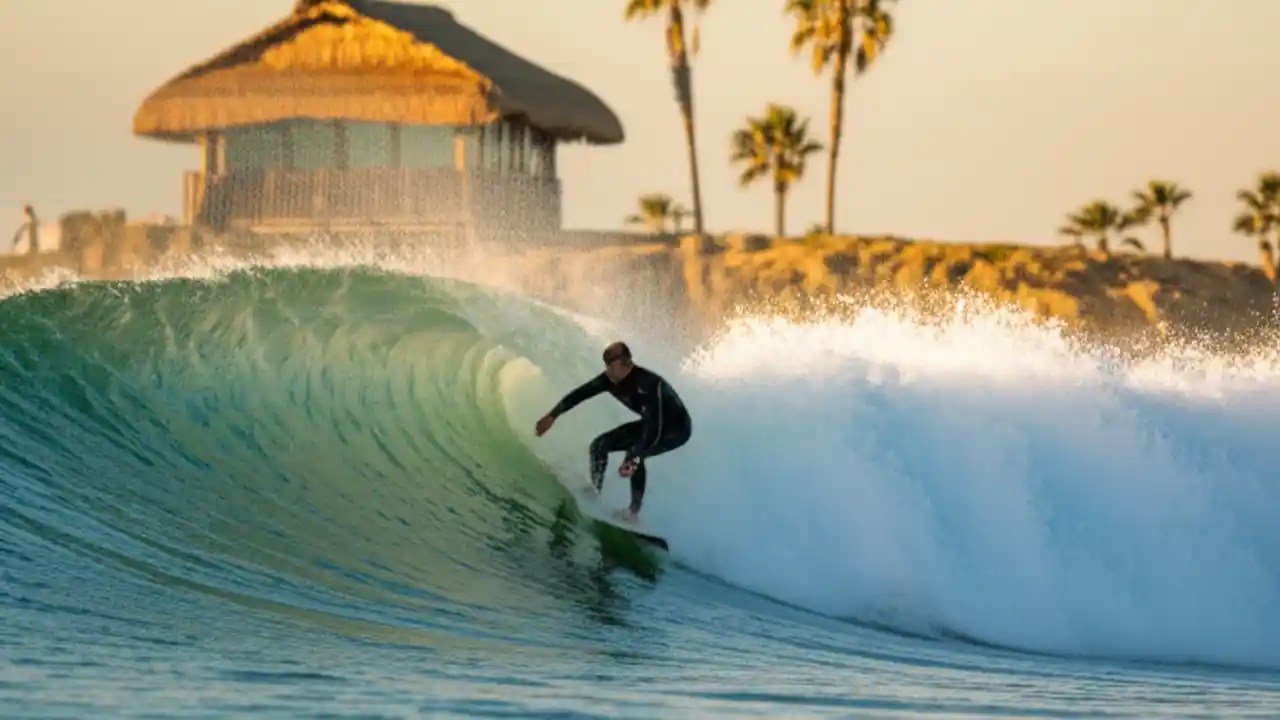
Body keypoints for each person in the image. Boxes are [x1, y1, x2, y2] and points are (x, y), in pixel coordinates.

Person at [535, 341, 692, 522]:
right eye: (606, 365)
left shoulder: (649, 384)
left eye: (611, 365)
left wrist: (636, 458)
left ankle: (633, 512)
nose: (607, 370)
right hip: (651, 423)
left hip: (677, 429)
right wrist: (552, 416)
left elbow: (654, 430)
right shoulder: (609, 380)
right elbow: (581, 394)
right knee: (599, 445)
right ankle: (595, 491)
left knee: (635, 452)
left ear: (625, 362)